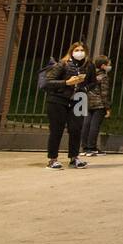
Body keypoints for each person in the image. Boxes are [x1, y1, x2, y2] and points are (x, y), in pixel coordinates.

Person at [42, 41, 93, 170]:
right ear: (71, 51)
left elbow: (93, 82)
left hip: (79, 99)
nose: (79, 53)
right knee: (56, 130)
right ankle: (53, 159)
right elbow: (48, 82)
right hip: (58, 100)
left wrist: (85, 88)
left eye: (82, 50)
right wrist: (67, 82)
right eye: (77, 50)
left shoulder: (89, 66)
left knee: (76, 129)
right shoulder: (62, 64)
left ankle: (74, 158)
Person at [81, 54, 113, 157]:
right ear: (103, 65)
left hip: (88, 103)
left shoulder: (89, 75)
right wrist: (107, 107)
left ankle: (85, 147)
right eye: (109, 64)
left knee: (86, 124)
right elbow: (104, 93)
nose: (110, 66)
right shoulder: (103, 77)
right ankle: (92, 148)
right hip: (99, 104)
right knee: (95, 125)